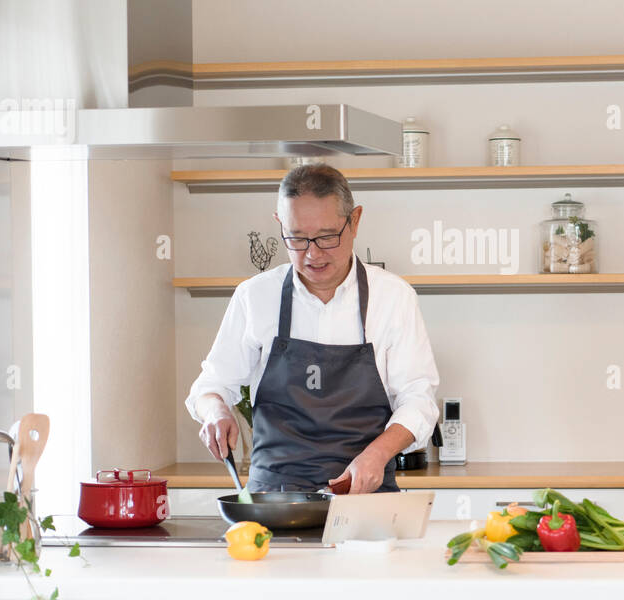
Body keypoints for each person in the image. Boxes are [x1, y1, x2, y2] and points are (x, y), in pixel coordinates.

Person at [187, 164, 440, 493]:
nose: (312, 253)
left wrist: (377, 455)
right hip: (274, 500)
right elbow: (212, 385)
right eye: (297, 238)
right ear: (280, 225)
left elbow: (419, 400)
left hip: (364, 495)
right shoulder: (255, 296)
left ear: (355, 221)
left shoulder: (393, 298)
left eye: (326, 236)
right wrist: (215, 410)